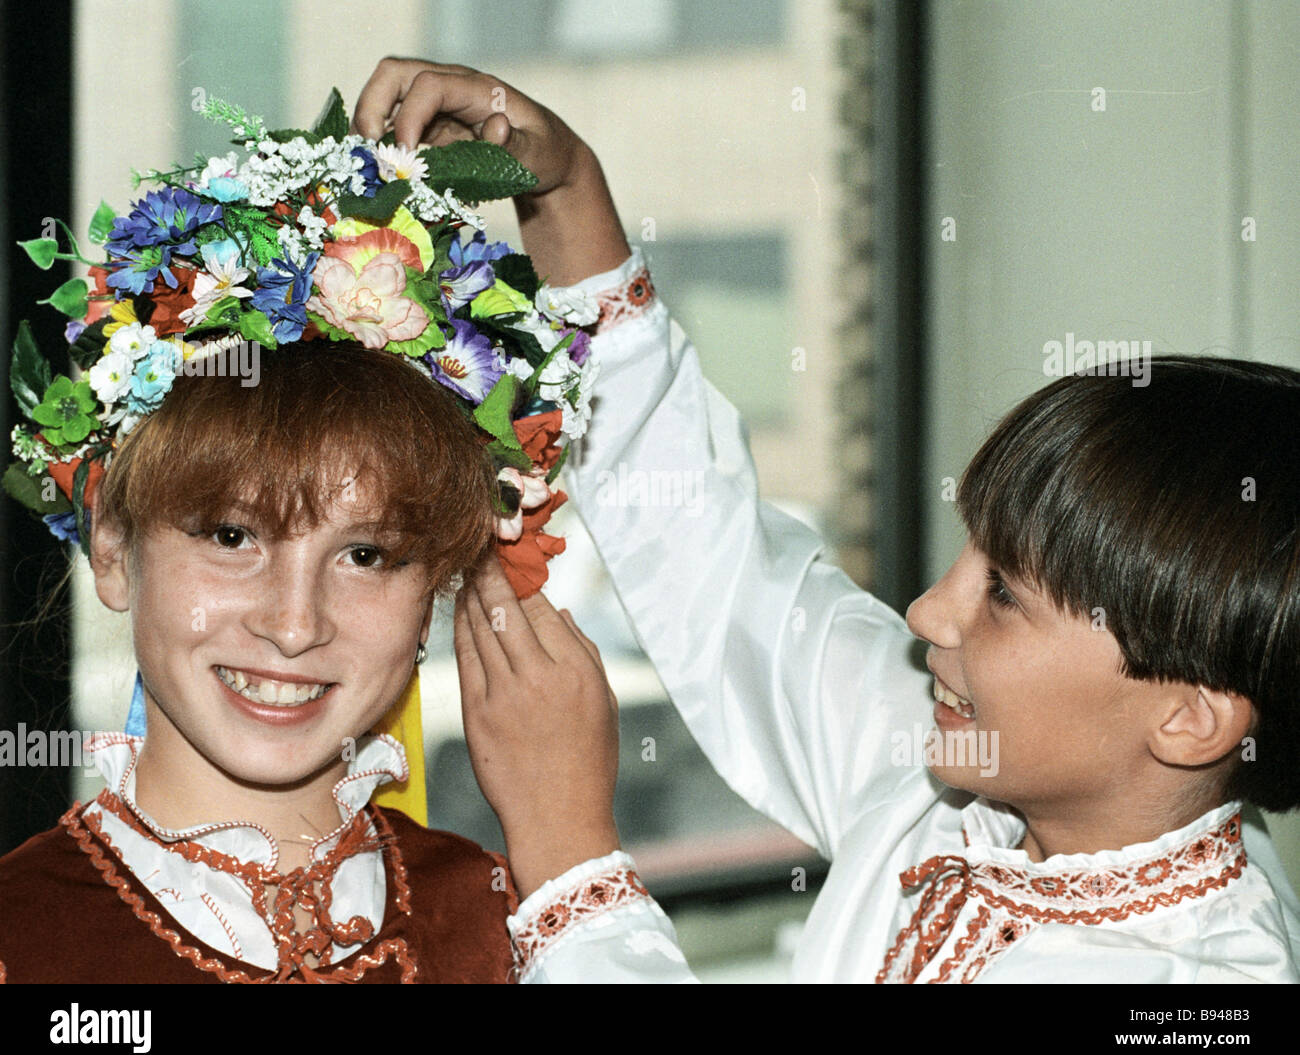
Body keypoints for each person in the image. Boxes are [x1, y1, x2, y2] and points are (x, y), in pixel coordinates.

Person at [354, 61, 1300, 982]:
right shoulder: (969, 788)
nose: (929, 611)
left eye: (1004, 593)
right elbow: (727, 569)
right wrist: (566, 191)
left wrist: (570, 853)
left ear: (1188, 718)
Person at [0, 71, 606, 983]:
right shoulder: (23, 939)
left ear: (438, 583)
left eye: (365, 554)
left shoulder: (530, 925)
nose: (293, 623)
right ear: (114, 547)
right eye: (232, 537)